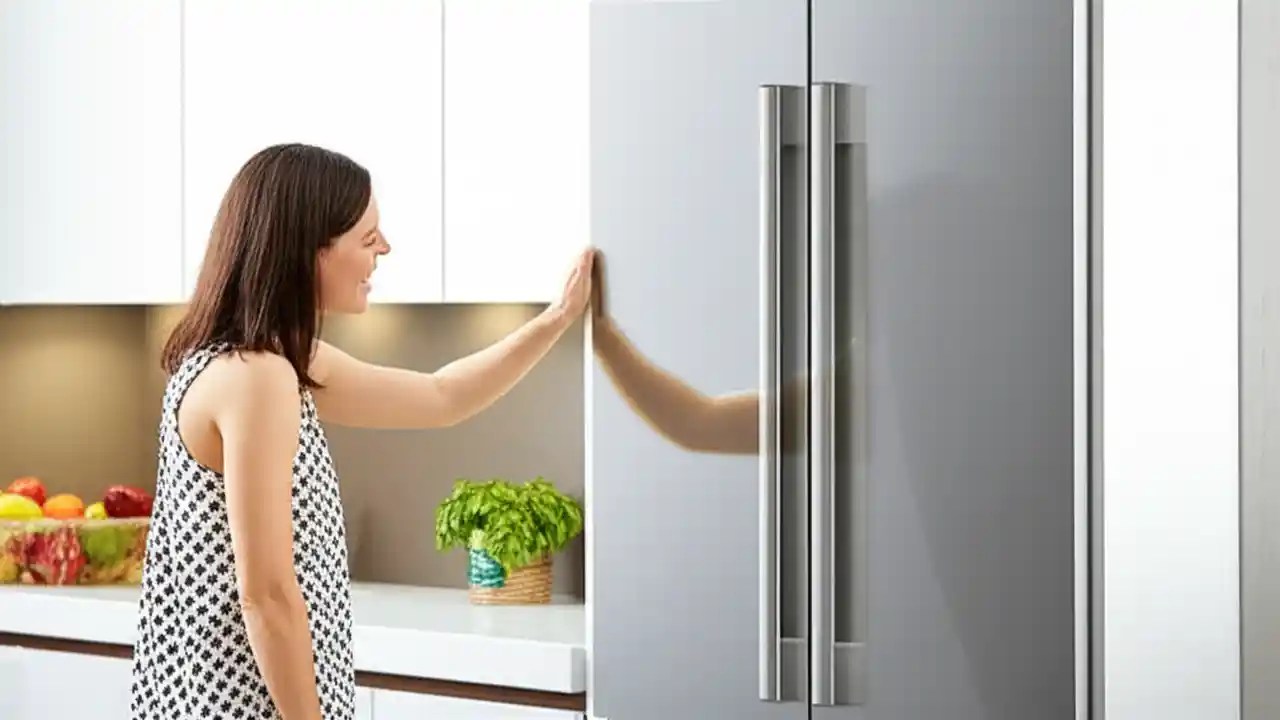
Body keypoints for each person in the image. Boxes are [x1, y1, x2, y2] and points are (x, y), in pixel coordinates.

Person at [128, 143, 593, 720]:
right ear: (309, 251)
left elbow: (441, 396)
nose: (385, 249)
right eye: (368, 238)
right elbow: (266, 595)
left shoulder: (260, 361)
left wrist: (558, 316)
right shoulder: (258, 378)